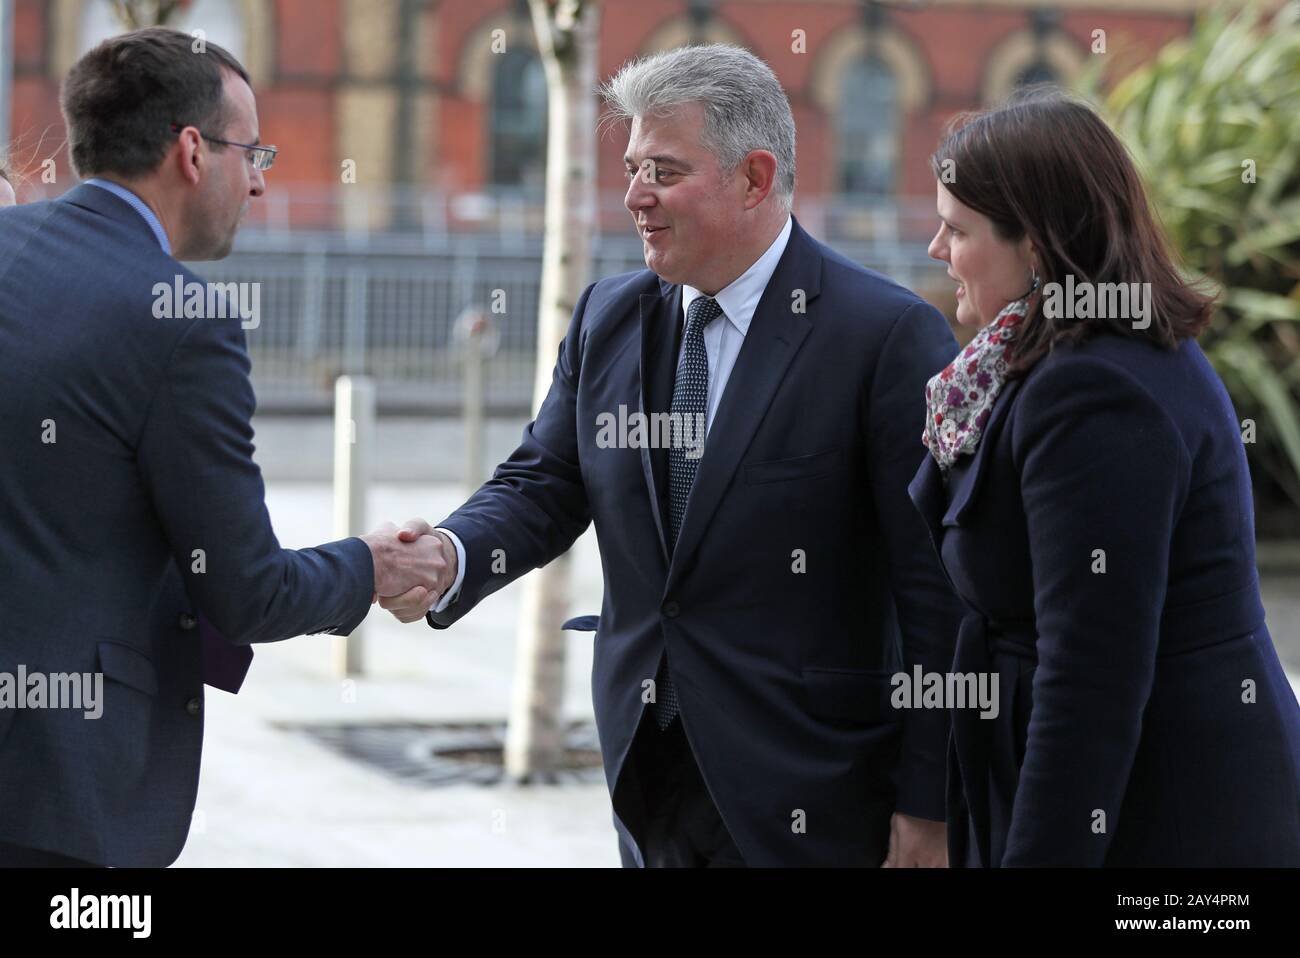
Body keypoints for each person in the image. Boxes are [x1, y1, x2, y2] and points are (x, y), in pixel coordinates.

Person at [384, 44, 964, 867]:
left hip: (814, 787)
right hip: (646, 775)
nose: (633, 197)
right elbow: (545, 482)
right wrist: (451, 553)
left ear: (755, 178)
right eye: (629, 168)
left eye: (662, 169)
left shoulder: (884, 336)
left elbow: (935, 595)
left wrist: (929, 808)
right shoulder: (607, 317)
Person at [0, 28, 451, 868]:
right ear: (192, 152)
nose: (261, 178)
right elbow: (247, 590)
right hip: (63, 802)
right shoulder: (182, 319)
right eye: (252, 151)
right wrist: (373, 566)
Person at [910, 89, 1300, 866]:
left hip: (1168, 819)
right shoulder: (1067, 356)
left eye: (957, 229)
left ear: (1038, 247)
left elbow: (1091, 679)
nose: (933, 249)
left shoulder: (1095, 389)